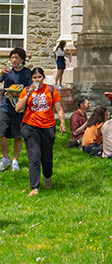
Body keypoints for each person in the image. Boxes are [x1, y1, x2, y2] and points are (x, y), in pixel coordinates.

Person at [15, 67, 66, 196]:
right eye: (35, 78)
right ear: (31, 79)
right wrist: (28, 94)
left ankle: (47, 177)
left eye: (39, 77)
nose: (37, 80)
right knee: (34, 156)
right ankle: (35, 187)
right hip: (30, 126)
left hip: (48, 126)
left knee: (46, 157)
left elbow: (59, 109)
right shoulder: (27, 90)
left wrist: (63, 123)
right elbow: (18, 108)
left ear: (43, 77)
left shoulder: (51, 89)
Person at [0, 47, 31, 172]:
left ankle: (15, 161)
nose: (13, 60)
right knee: (1, 133)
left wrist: (22, 93)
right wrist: (1, 71)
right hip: (5, 107)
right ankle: (6, 158)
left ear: (22, 59)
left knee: (18, 136)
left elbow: (30, 88)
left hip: (19, 109)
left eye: (16, 58)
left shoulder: (27, 72)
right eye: (12, 57)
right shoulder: (6, 71)